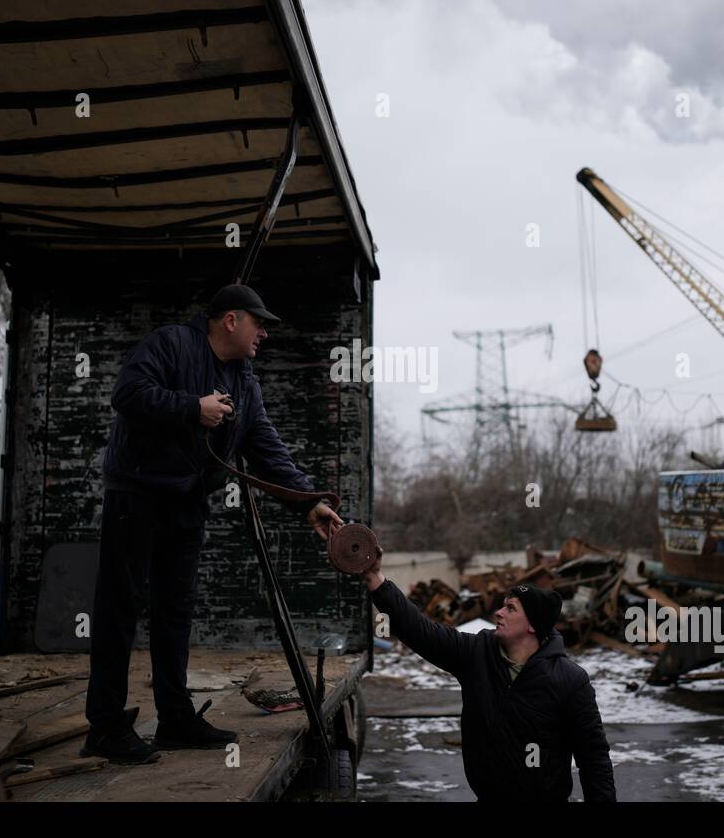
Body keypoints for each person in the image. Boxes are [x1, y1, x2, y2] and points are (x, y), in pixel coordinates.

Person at [83, 284, 344, 763]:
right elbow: (128, 394)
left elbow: (266, 449)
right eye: (258, 323)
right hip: (137, 494)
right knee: (119, 608)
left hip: (185, 502)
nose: (263, 332)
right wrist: (191, 408)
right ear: (230, 320)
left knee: (174, 611)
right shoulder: (170, 344)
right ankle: (104, 726)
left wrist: (309, 503)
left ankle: (175, 718)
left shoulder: (245, 381)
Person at [360, 554, 616, 801]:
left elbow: (593, 757)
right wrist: (375, 579)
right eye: (503, 605)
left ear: (532, 626)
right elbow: (420, 631)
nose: (499, 613)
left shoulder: (569, 680)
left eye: (511, 608)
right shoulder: (476, 654)